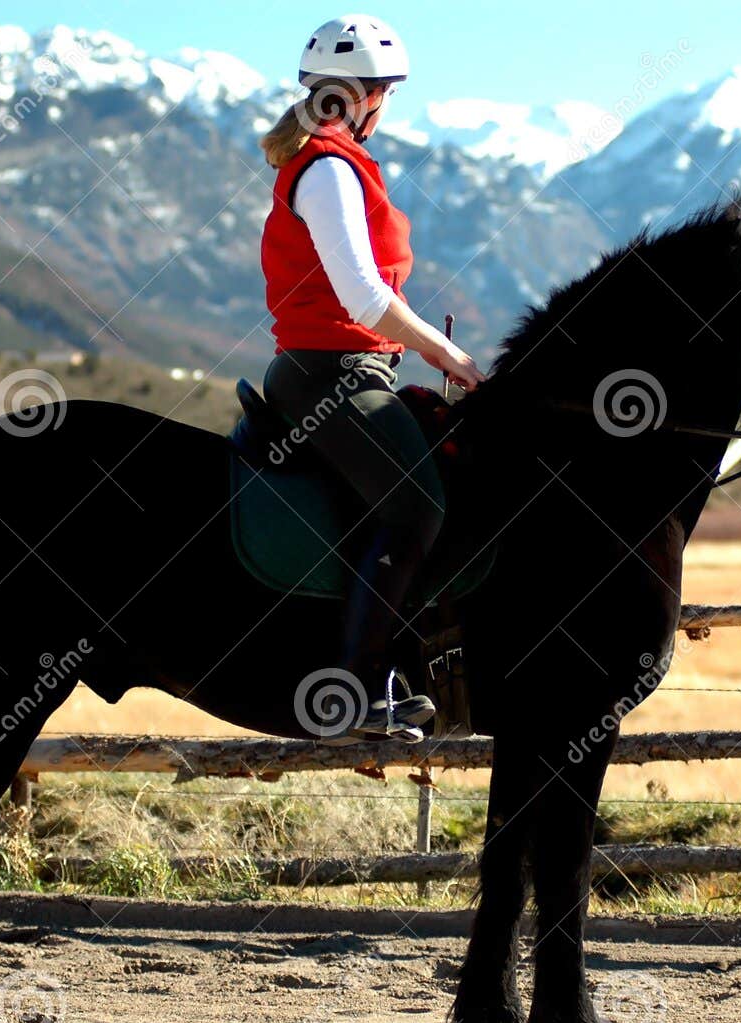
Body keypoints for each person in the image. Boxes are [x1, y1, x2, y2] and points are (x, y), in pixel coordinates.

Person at [259, 14, 484, 741]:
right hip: (330, 377)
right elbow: (362, 299)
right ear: (362, 97)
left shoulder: (333, 161)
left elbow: (371, 294)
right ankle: (359, 689)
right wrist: (441, 354)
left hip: (352, 369)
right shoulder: (328, 167)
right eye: (386, 95)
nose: (386, 109)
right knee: (416, 507)